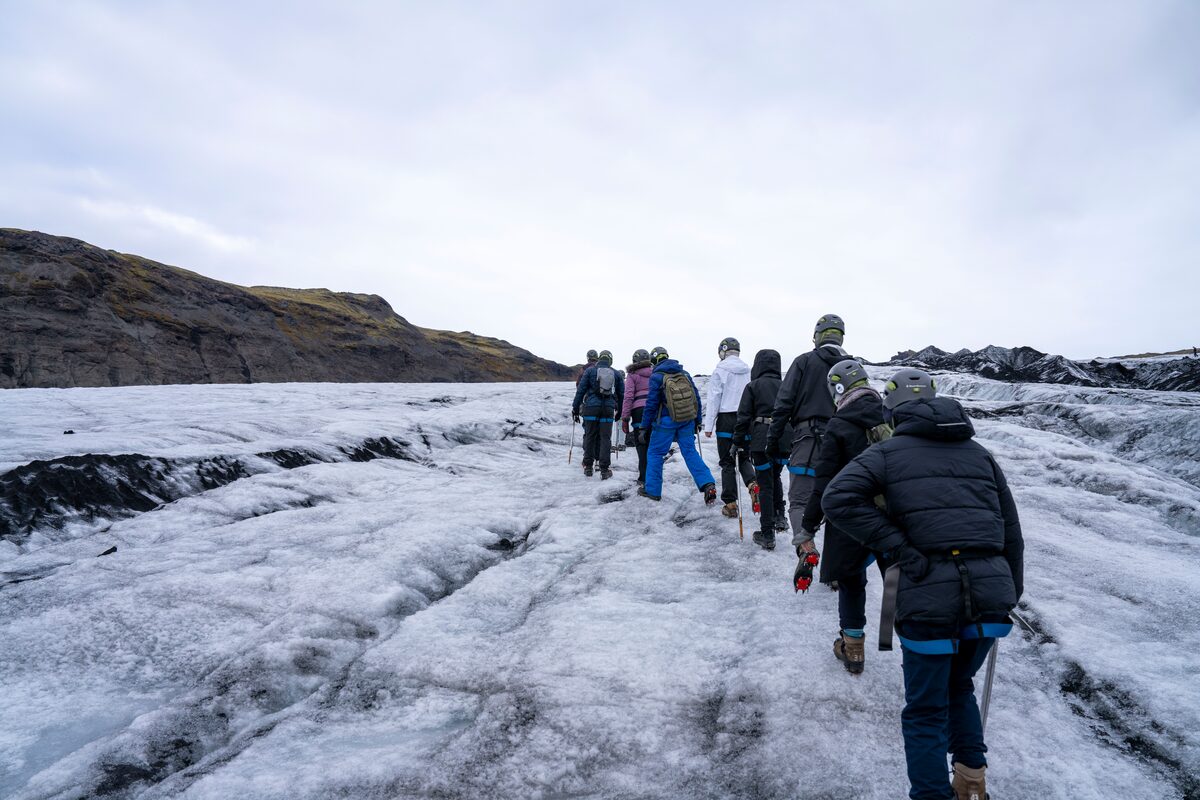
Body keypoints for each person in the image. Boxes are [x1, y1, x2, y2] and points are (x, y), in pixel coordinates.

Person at [822, 369, 1024, 800]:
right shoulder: (981, 454)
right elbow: (1011, 531)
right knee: (958, 685)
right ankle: (971, 782)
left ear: (891, 410)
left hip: (928, 594)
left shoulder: (888, 453)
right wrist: (1010, 591)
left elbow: (837, 498)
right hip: (989, 597)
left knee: (926, 710)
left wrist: (897, 548)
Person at [798, 359, 889, 674]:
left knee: (852, 579)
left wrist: (807, 527)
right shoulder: (891, 416)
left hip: (852, 516)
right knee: (896, 578)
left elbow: (822, 483)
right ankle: (894, 638)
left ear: (837, 389)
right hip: (892, 514)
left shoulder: (838, 424)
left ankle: (853, 648)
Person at [766, 314, 848, 566]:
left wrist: (773, 438)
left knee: (800, 499)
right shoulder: (852, 366)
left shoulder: (804, 361)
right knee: (840, 501)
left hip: (808, 438)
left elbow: (784, 402)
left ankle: (806, 545)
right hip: (846, 441)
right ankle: (837, 568)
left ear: (817, 336)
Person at [636, 346, 717, 505]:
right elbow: (696, 398)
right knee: (690, 452)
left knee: (655, 453)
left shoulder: (657, 376)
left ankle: (652, 491)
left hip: (664, 423)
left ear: (654, 361)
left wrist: (644, 427)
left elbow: (651, 404)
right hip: (686, 420)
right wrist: (697, 420)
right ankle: (707, 483)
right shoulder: (684, 374)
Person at [733, 349, 791, 550]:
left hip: (761, 440)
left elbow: (743, 418)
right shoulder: (786, 385)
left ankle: (767, 534)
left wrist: (737, 443)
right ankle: (779, 516)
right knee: (775, 477)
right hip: (784, 439)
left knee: (765, 483)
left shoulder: (753, 386)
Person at [703, 337, 756, 518]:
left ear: (723, 351)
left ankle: (731, 504)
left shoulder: (720, 371)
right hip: (745, 419)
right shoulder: (748, 371)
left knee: (727, 462)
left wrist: (708, 425)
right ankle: (752, 484)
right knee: (744, 457)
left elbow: (714, 399)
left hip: (726, 419)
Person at [572, 350, 624, 479]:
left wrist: (575, 408)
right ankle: (604, 469)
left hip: (591, 407)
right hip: (607, 409)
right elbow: (621, 394)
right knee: (605, 438)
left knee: (590, 436)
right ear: (610, 360)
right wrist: (620, 411)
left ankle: (588, 467)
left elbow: (581, 390)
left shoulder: (589, 371)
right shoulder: (616, 373)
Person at [621, 348, 654, 487]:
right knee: (653, 445)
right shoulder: (656, 373)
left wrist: (625, 418)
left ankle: (643, 477)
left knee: (641, 445)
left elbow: (628, 396)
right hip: (653, 410)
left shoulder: (632, 375)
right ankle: (654, 477)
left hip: (638, 411)